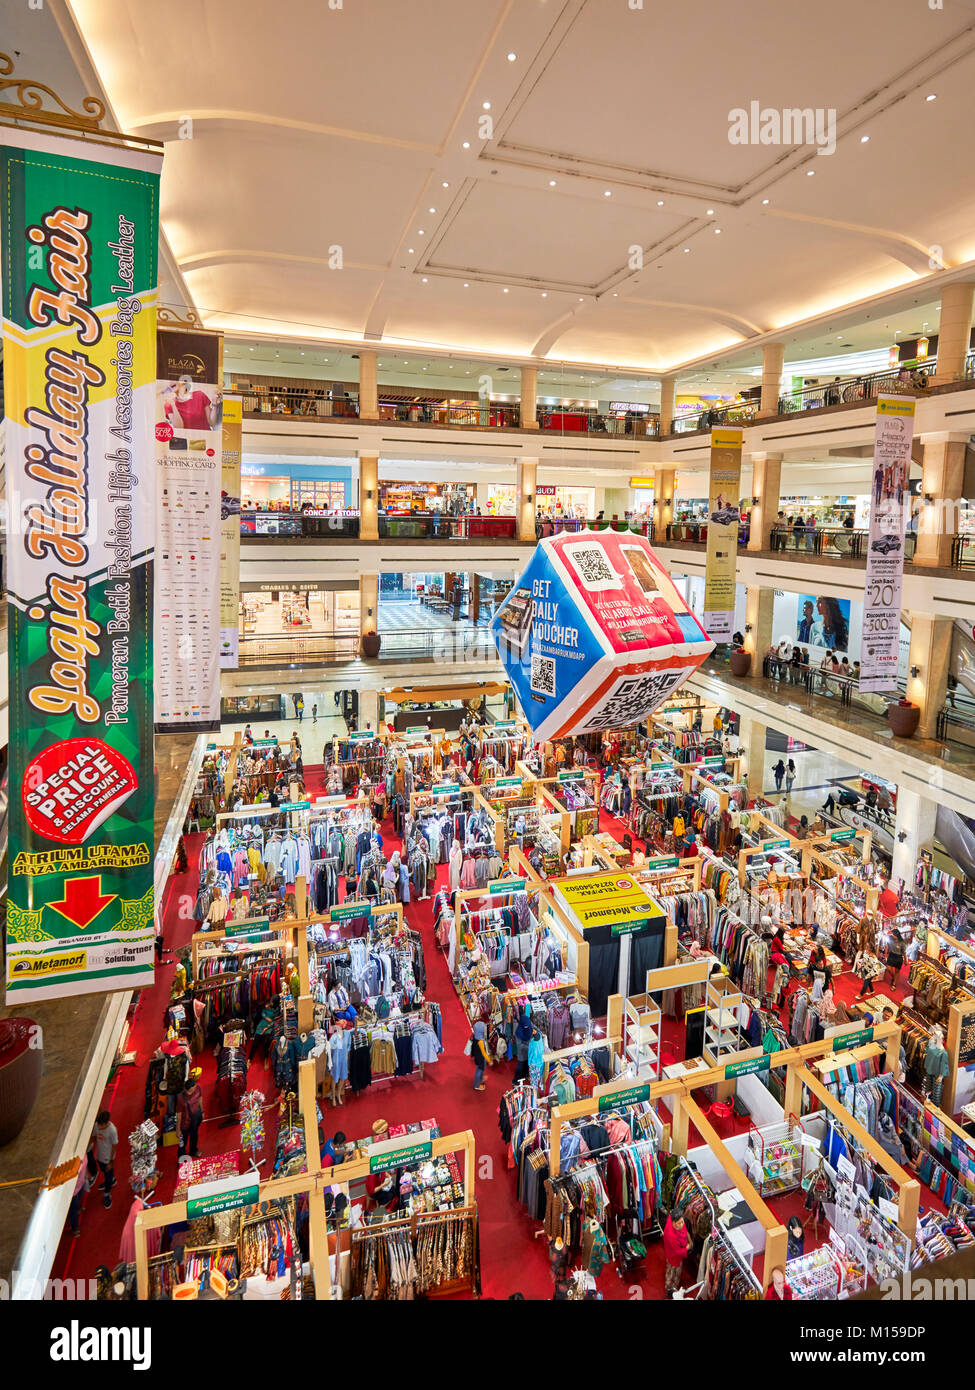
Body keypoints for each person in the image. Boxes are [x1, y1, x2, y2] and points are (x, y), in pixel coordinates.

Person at [93, 1110, 118, 1208]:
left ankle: (107, 1193)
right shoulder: (97, 1125)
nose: (99, 1128)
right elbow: (95, 1137)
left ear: (106, 1123)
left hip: (108, 1159)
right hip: (99, 1156)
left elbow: (114, 1145)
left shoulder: (112, 1130)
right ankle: (112, 1180)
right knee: (104, 1172)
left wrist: (111, 1161)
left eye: (101, 1126)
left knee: (107, 1175)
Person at [662, 1210, 689, 1297]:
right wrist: (687, 1247)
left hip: (673, 1254)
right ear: (674, 1223)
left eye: (682, 1221)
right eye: (680, 1223)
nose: (682, 1224)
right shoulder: (671, 1235)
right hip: (674, 1257)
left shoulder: (673, 1218)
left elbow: (684, 1228)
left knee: (672, 1271)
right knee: (672, 1273)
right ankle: (670, 1291)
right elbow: (677, 1251)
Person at [177, 1074, 204, 1159]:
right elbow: (179, 1114)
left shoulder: (198, 1088)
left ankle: (193, 1150)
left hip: (195, 1120)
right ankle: (181, 1158)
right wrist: (178, 1129)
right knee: (182, 1143)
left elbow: (200, 1098)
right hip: (185, 1124)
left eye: (191, 1091)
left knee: (194, 1136)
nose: (189, 1093)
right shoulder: (180, 1098)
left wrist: (202, 1111)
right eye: (187, 1091)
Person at [513, 1012, 533, 1083]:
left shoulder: (528, 1023)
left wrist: (539, 1033)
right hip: (522, 1053)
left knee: (527, 1064)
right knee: (520, 1067)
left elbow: (533, 1027)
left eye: (528, 1026)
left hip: (529, 1051)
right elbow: (520, 1045)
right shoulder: (518, 1033)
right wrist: (529, 1047)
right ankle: (515, 1080)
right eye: (525, 1026)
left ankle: (525, 1075)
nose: (527, 1027)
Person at [471, 1021, 490, 1091]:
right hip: (480, 1058)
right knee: (479, 1070)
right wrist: (489, 1060)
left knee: (482, 1069)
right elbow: (484, 1053)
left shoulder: (476, 1036)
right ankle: (476, 1085)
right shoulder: (480, 1042)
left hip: (478, 1057)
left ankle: (481, 1078)